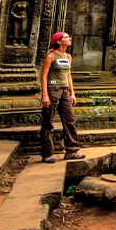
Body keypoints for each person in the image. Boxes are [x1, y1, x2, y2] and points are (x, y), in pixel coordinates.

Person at [40, 32, 85, 163]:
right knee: (48, 121)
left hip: (65, 91)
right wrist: (45, 95)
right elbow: (44, 76)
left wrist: (72, 93)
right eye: (65, 37)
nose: (69, 39)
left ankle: (72, 150)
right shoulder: (50, 56)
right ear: (58, 41)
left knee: (70, 120)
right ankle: (47, 153)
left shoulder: (68, 56)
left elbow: (68, 76)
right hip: (53, 90)